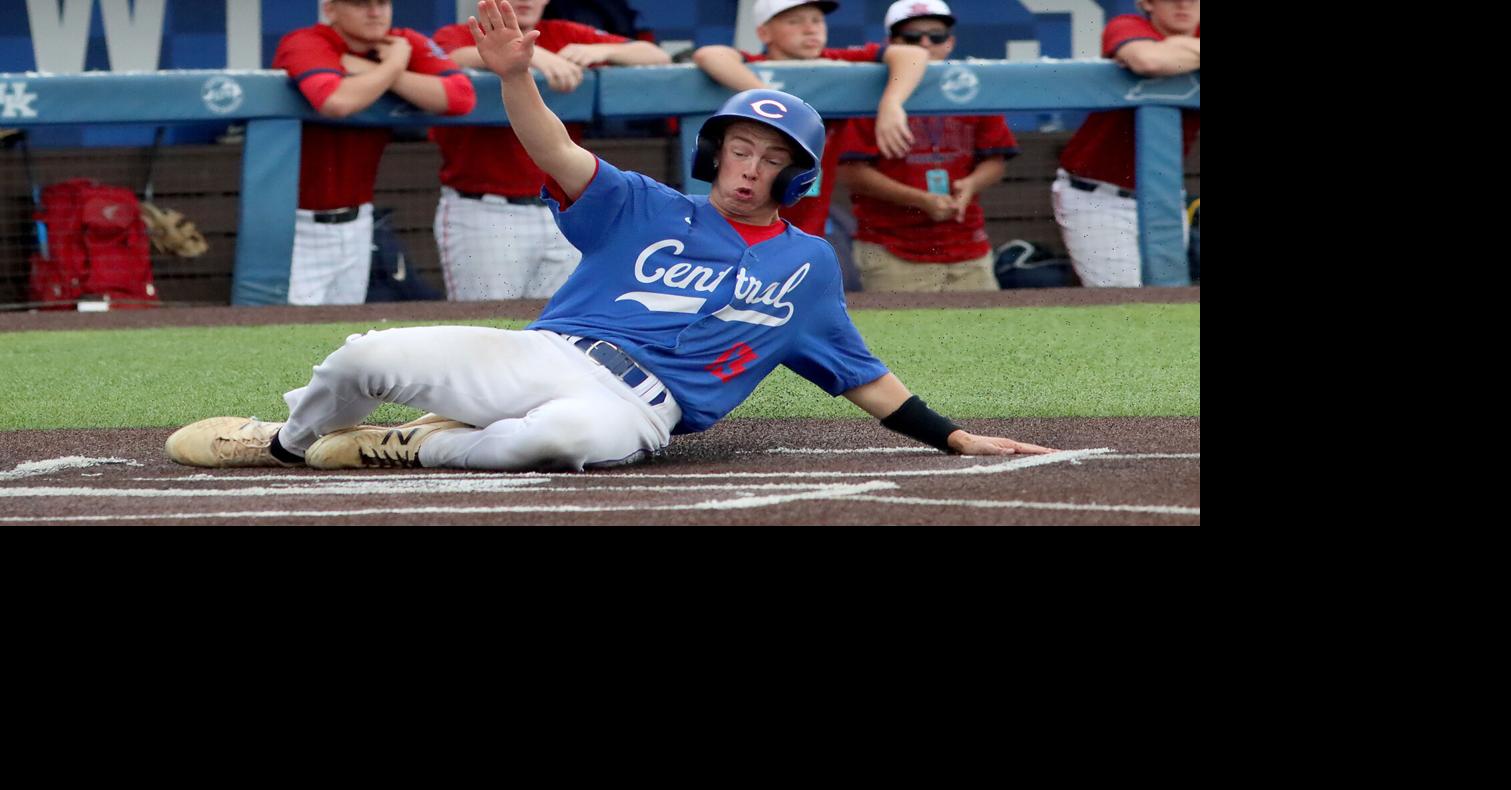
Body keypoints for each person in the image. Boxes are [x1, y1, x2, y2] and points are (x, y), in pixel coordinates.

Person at [165, 1, 1048, 474]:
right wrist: (515, 80)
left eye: (770, 157)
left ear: (795, 174)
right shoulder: (643, 204)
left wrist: (955, 438)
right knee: (364, 353)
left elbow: (863, 376)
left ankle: (406, 445)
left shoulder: (806, 266)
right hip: (554, 355)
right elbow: (551, 144)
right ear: (716, 151)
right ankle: (282, 444)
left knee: (549, 445)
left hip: (636, 409)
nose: (748, 166)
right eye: (738, 147)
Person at [430, 0, 669, 301]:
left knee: (555, 330)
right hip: (485, 210)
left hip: (560, 210)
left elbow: (656, 55)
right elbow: (449, 56)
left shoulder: (561, 33)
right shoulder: (461, 34)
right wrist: (530, 56)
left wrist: (602, 51)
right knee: (485, 328)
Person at [272, 0, 476, 305]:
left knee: (338, 331)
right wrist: (394, 66)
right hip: (296, 225)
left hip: (359, 221)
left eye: (382, 3)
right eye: (360, 3)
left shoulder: (401, 41)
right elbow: (336, 100)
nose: (375, 12)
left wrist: (381, 70)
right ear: (330, 9)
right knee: (282, 333)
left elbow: (461, 98)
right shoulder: (306, 41)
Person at [690, 0, 929, 239]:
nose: (810, 29)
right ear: (764, 33)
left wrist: (892, 103)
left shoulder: (836, 62)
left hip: (806, 232)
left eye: (816, 20)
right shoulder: (756, 65)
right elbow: (710, 54)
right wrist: (775, 102)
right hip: (740, 226)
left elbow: (914, 54)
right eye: (795, 21)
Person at [837, 1, 1017, 293]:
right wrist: (920, 199)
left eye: (936, 36)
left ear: (950, 42)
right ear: (892, 43)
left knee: (987, 336)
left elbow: (996, 161)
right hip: (892, 250)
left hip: (968, 246)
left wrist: (971, 184)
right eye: (912, 37)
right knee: (902, 339)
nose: (925, 44)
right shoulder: (870, 90)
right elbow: (850, 171)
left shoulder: (968, 85)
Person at [1052, 0, 1200, 288]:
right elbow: (1149, 60)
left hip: (1164, 195)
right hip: (1096, 195)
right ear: (1147, 2)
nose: (1183, 3)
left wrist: (1181, 53)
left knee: (1168, 298)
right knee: (1123, 302)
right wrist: (1174, 54)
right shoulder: (1128, 25)